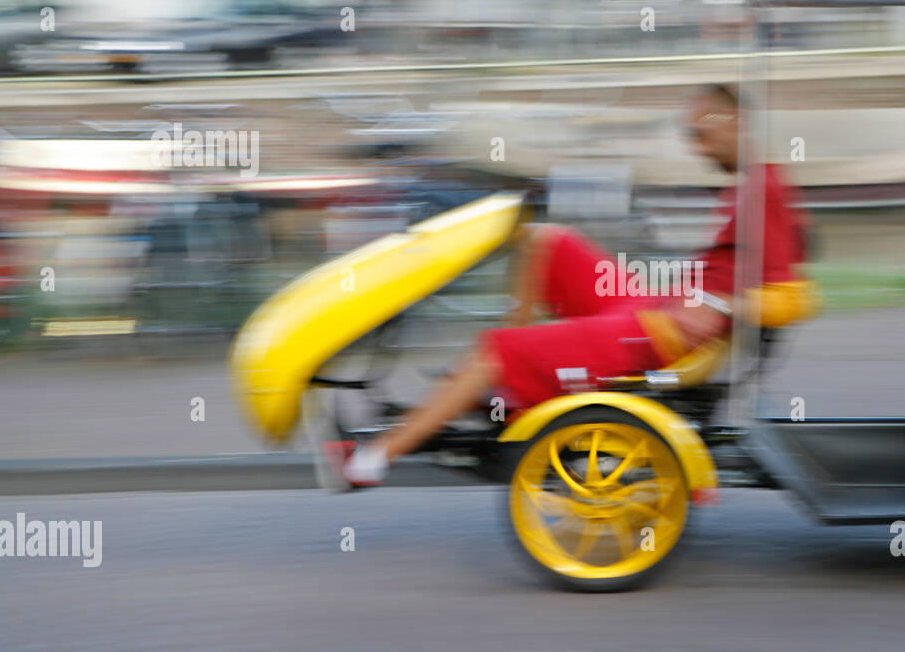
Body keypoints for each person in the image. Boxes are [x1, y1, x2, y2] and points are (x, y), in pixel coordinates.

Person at [330, 83, 813, 487]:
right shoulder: (750, 183)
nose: (696, 148)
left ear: (732, 121)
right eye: (691, 136)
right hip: (652, 308)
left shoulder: (763, 189)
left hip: (664, 336)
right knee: (545, 239)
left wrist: (719, 305)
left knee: (495, 349)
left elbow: (793, 298)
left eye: (702, 135)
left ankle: (376, 457)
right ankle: (506, 368)